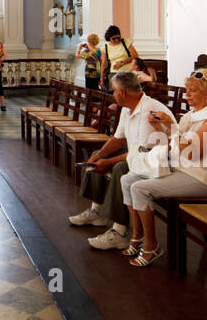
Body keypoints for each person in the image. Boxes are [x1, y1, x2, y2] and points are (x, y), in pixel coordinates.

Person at [116, 68, 207, 267]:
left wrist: (171, 126)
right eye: (187, 89)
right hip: (183, 171)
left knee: (140, 188)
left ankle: (152, 247)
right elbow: (175, 144)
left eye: (193, 90)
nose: (187, 93)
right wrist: (160, 127)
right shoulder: (193, 116)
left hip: (202, 179)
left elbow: (190, 153)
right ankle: (137, 237)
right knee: (128, 179)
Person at [69, 71, 175, 243]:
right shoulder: (128, 108)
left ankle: (120, 231)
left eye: (113, 91)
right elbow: (118, 140)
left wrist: (109, 162)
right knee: (97, 155)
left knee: (120, 168)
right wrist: (101, 156)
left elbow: (141, 152)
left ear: (122, 92)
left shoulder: (149, 109)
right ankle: (97, 212)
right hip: (138, 155)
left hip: (157, 160)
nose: (112, 95)